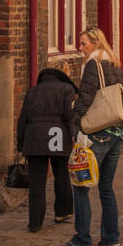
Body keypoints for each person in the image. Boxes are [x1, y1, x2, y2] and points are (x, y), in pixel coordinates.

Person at [63, 28, 123, 246]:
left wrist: (75, 123)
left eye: (83, 44)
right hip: (116, 132)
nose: (80, 49)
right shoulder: (114, 63)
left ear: (96, 42)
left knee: (80, 185)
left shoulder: (93, 64)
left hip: (97, 133)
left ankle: (82, 238)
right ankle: (110, 237)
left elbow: (86, 97)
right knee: (106, 187)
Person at [16, 65, 77, 233]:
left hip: (34, 137)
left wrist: (20, 144)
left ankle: (35, 222)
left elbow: (22, 120)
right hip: (58, 136)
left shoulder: (33, 91)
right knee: (62, 175)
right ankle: (63, 212)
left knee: (37, 182)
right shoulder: (67, 89)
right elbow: (71, 116)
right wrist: (75, 136)